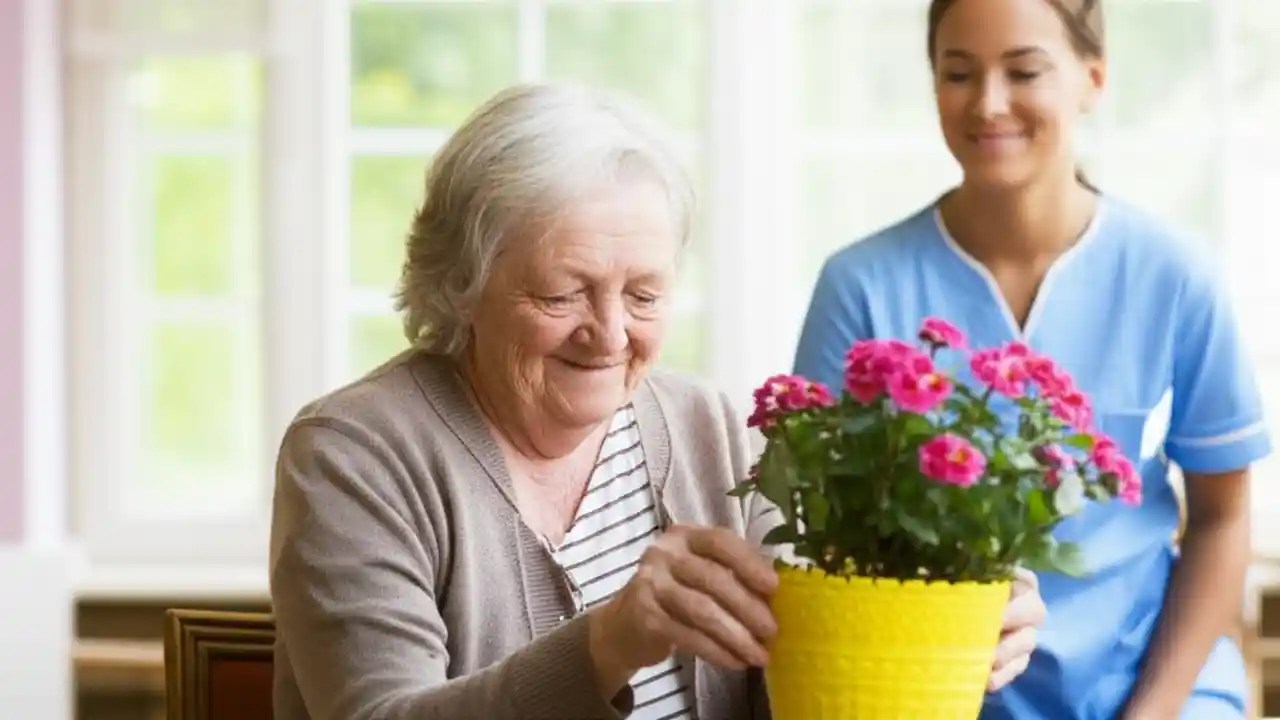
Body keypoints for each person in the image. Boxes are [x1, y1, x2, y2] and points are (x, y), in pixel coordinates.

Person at [269, 82, 1046, 720]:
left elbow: (811, 663)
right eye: (561, 293)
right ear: (463, 285)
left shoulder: (710, 430)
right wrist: (607, 642)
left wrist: (953, 603)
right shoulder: (354, 455)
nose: (608, 334)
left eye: (644, 294)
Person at [793, 0, 1271, 718]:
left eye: (1024, 71)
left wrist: (1150, 712)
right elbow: (828, 538)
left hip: (1155, 686)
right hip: (940, 688)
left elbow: (1222, 519)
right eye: (958, 73)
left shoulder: (1175, 277)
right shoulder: (860, 286)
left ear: (1092, 78)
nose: (988, 104)